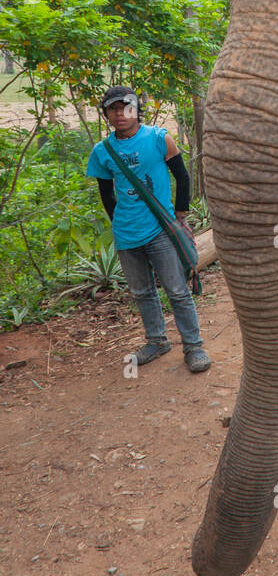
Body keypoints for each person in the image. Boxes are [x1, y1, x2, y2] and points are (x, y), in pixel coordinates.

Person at [86, 86, 211, 372]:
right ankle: (157, 341)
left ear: (136, 109)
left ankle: (193, 347)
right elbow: (106, 194)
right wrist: (119, 221)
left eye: (125, 107)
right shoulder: (102, 151)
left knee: (177, 290)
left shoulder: (158, 138)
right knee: (142, 292)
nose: (120, 113)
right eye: (113, 108)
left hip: (160, 229)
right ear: (106, 113)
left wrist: (179, 214)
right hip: (126, 235)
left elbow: (182, 175)